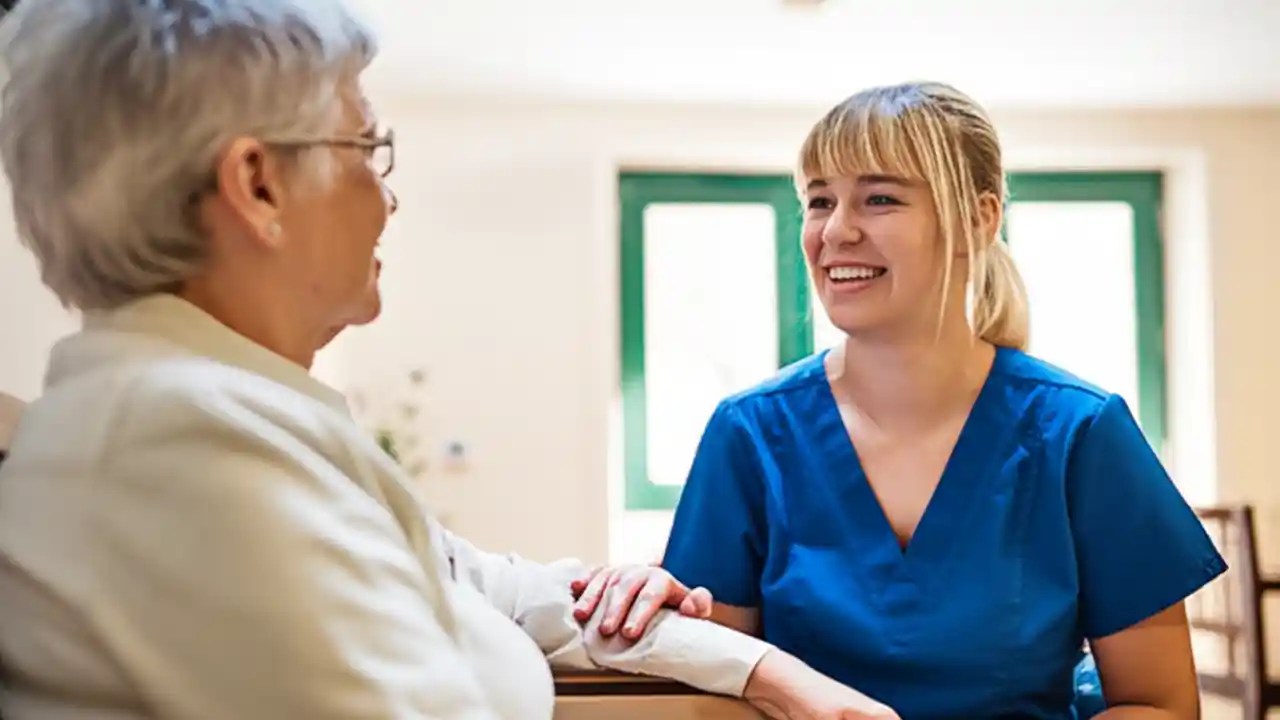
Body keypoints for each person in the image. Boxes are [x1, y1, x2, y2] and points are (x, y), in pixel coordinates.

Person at [0, 2, 894, 718]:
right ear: (258, 186)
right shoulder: (178, 458)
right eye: (366, 148)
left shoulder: (238, 423)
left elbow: (494, 588)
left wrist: (765, 670)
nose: (387, 198)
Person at [582, 82, 1225, 719]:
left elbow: (1158, 705)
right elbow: (717, 693)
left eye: (880, 198)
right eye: (819, 201)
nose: (835, 230)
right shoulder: (749, 434)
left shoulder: (1081, 432)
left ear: (979, 219)